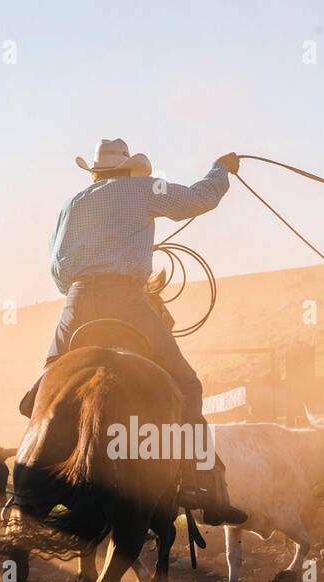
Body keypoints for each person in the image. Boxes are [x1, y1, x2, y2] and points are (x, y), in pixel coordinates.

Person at [28, 138, 248, 526]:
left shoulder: (72, 204)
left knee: (42, 387)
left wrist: (85, 283)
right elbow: (199, 199)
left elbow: (58, 269)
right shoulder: (144, 188)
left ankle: (28, 488)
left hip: (77, 302)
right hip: (127, 300)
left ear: (93, 172)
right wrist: (220, 168)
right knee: (187, 384)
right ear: (129, 168)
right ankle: (201, 483)